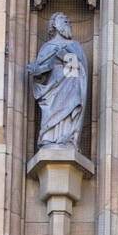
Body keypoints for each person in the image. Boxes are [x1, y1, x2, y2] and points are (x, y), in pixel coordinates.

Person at [27, 11, 88, 150]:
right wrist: (38, 71)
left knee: (68, 109)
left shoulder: (74, 45)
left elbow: (76, 69)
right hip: (52, 91)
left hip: (69, 87)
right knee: (51, 113)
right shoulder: (47, 47)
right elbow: (42, 76)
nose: (67, 21)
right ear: (55, 24)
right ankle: (49, 138)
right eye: (63, 19)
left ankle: (66, 138)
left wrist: (63, 55)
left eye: (67, 19)